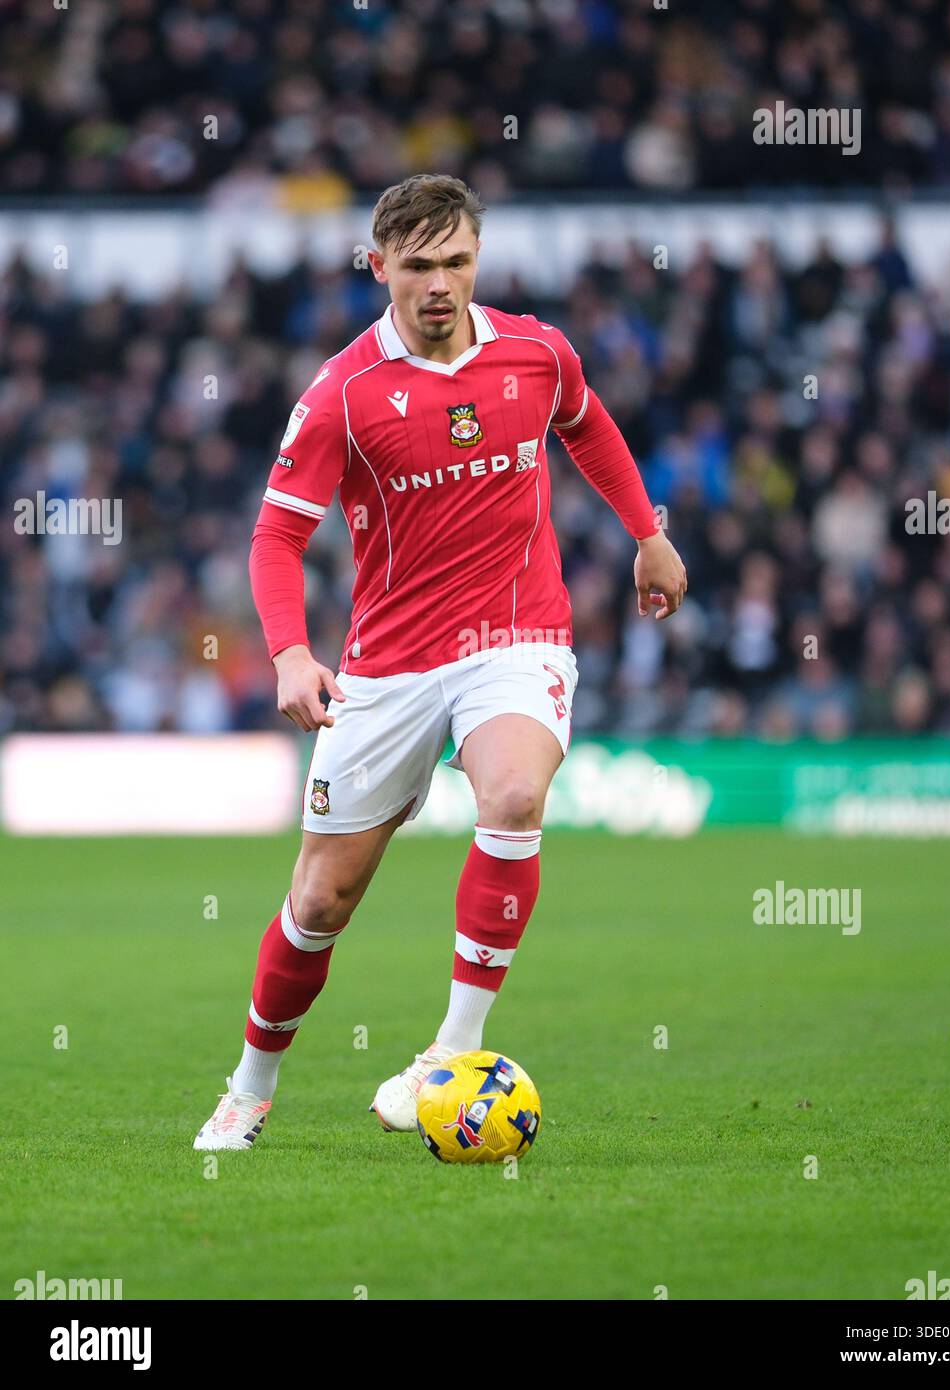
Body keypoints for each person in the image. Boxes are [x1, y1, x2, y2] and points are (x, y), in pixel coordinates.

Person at [194, 174, 687, 1149]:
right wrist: (291, 654)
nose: (438, 283)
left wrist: (646, 532)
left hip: (515, 637)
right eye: (416, 265)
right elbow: (275, 539)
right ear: (377, 267)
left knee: (510, 800)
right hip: (386, 665)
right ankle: (250, 1082)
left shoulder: (537, 353)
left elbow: (586, 425)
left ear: (477, 261)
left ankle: (448, 1052)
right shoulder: (344, 393)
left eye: (455, 261)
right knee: (319, 901)